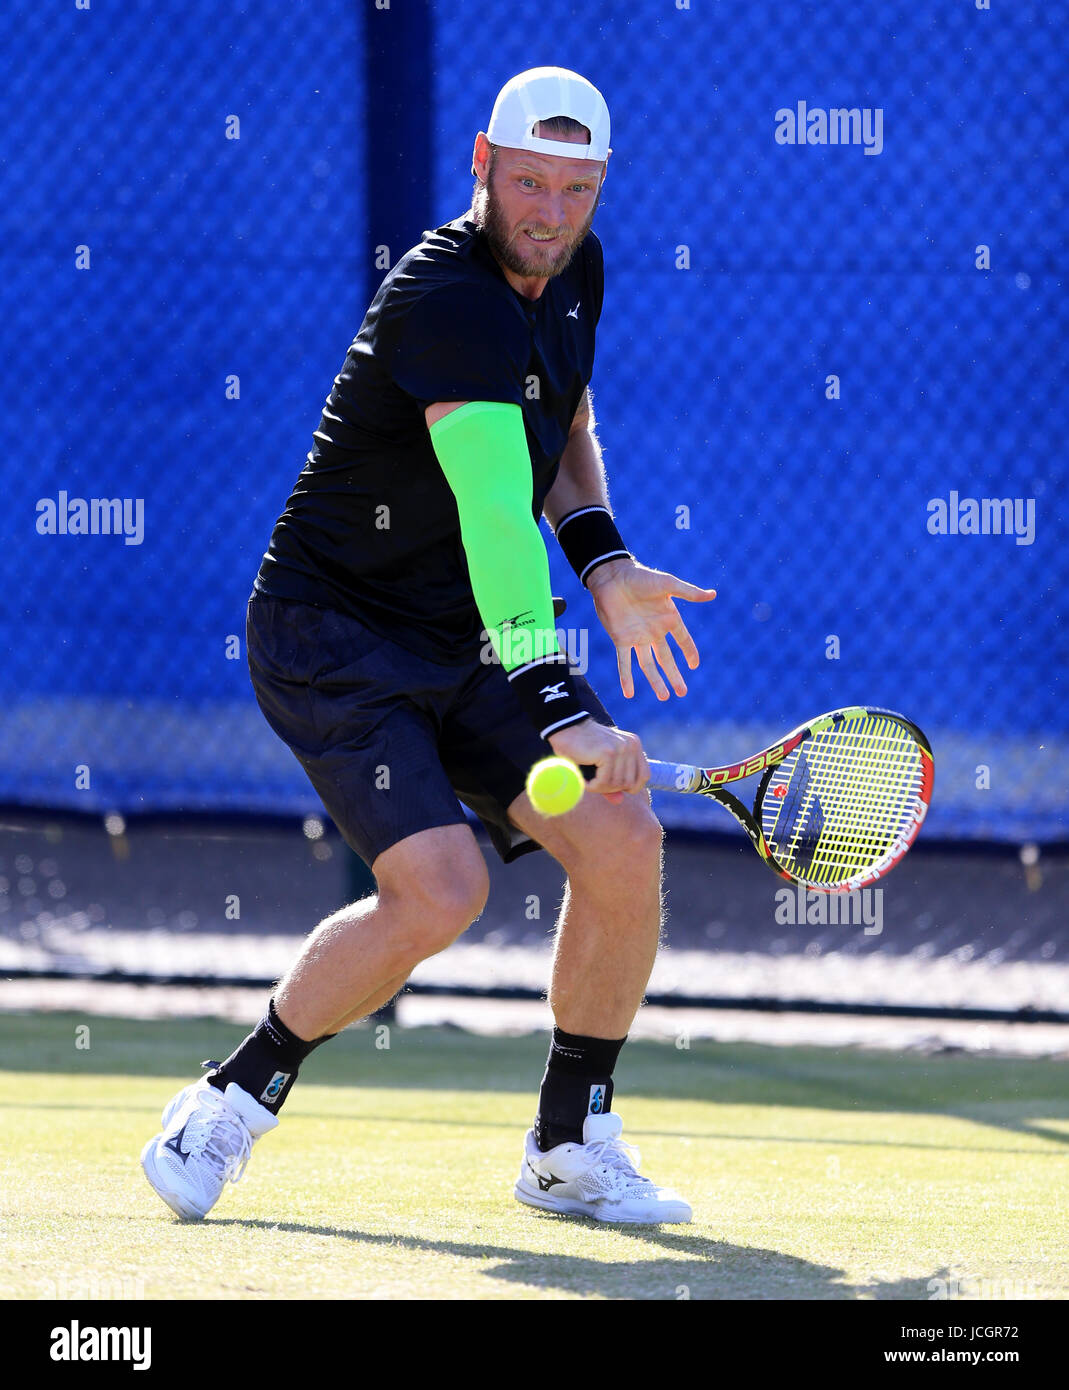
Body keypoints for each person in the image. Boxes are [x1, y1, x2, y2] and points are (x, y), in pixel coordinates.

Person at [141, 66, 715, 1225]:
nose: (550, 212)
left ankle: (567, 1143)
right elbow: (497, 504)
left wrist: (605, 563)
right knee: (439, 888)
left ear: (598, 188)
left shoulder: (574, 271)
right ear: (482, 168)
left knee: (618, 833)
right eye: (529, 183)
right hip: (332, 631)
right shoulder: (445, 295)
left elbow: (562, 432)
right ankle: (229, 1101)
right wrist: (561, 698)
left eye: (575, 188)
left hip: (459, 636)